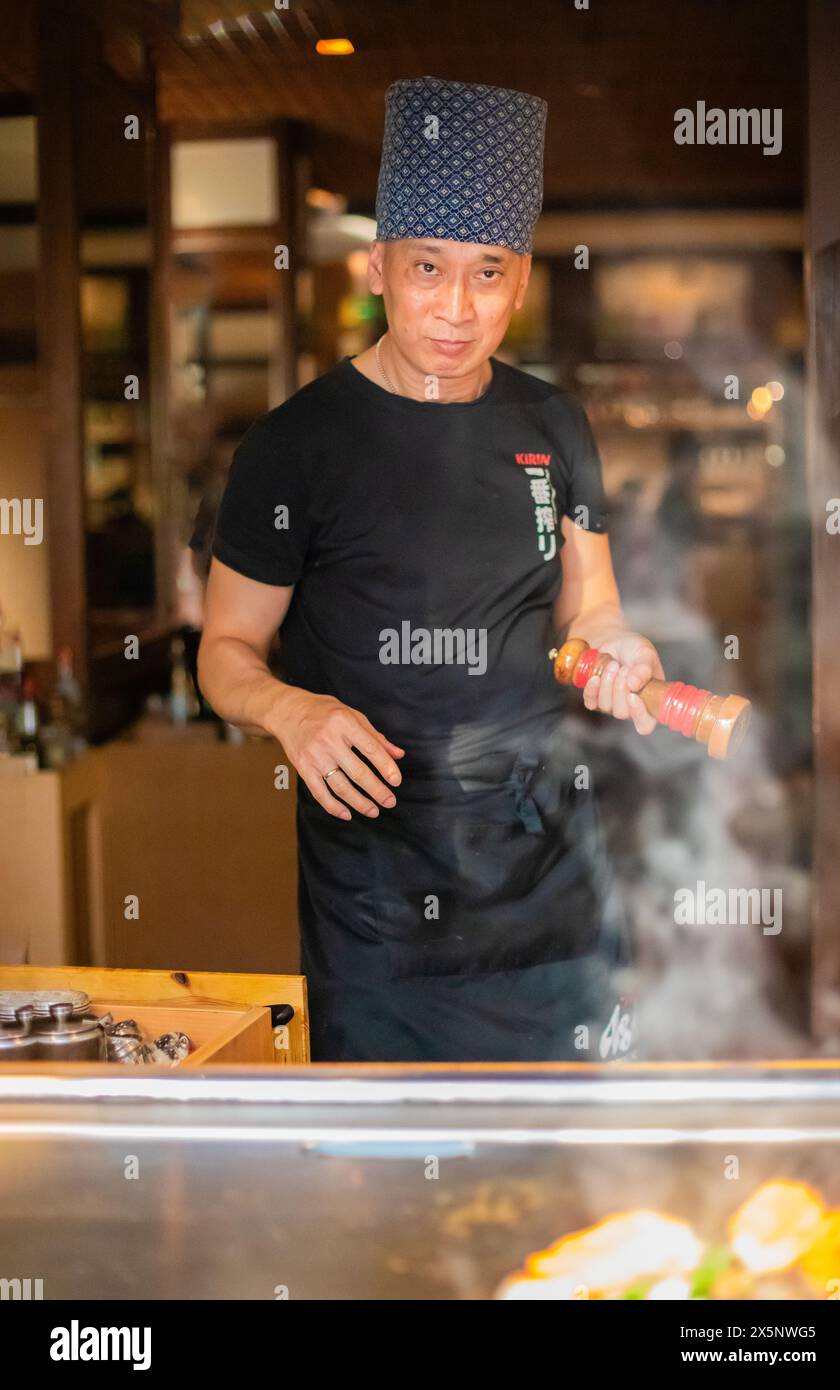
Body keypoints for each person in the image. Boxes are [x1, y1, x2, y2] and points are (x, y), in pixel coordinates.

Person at [196, 77, 665, 1062]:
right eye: (426, 269)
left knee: (565, 1186)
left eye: (486, 274)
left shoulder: (552, 426)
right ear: (377, 266)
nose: (455, 308)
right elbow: (226, 649)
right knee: (389, 1199)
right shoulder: (295, 449)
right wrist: (290, 710)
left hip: (549, 894)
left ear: (520, 280)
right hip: (381, 914)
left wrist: (614, 645)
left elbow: (592, 609)